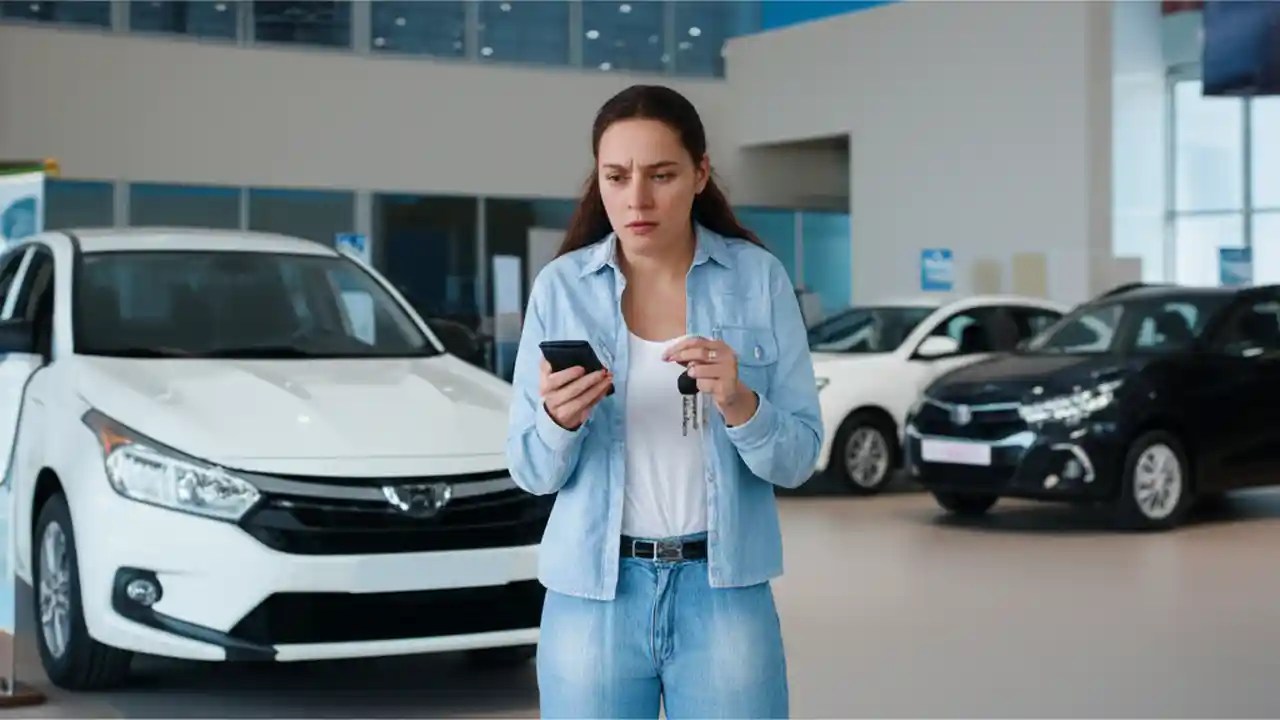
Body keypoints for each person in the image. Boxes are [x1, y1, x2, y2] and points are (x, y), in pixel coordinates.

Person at [506, 84, 823, 719]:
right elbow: (530, 470)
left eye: (662, 175)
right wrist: (559, 422)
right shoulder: (562, 287)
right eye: (616, 177)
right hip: (592, 595)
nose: (637, 199)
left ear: (701, 173)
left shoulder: (757, 279)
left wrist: (740, 403)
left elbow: (799, 459)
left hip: (724, 590)